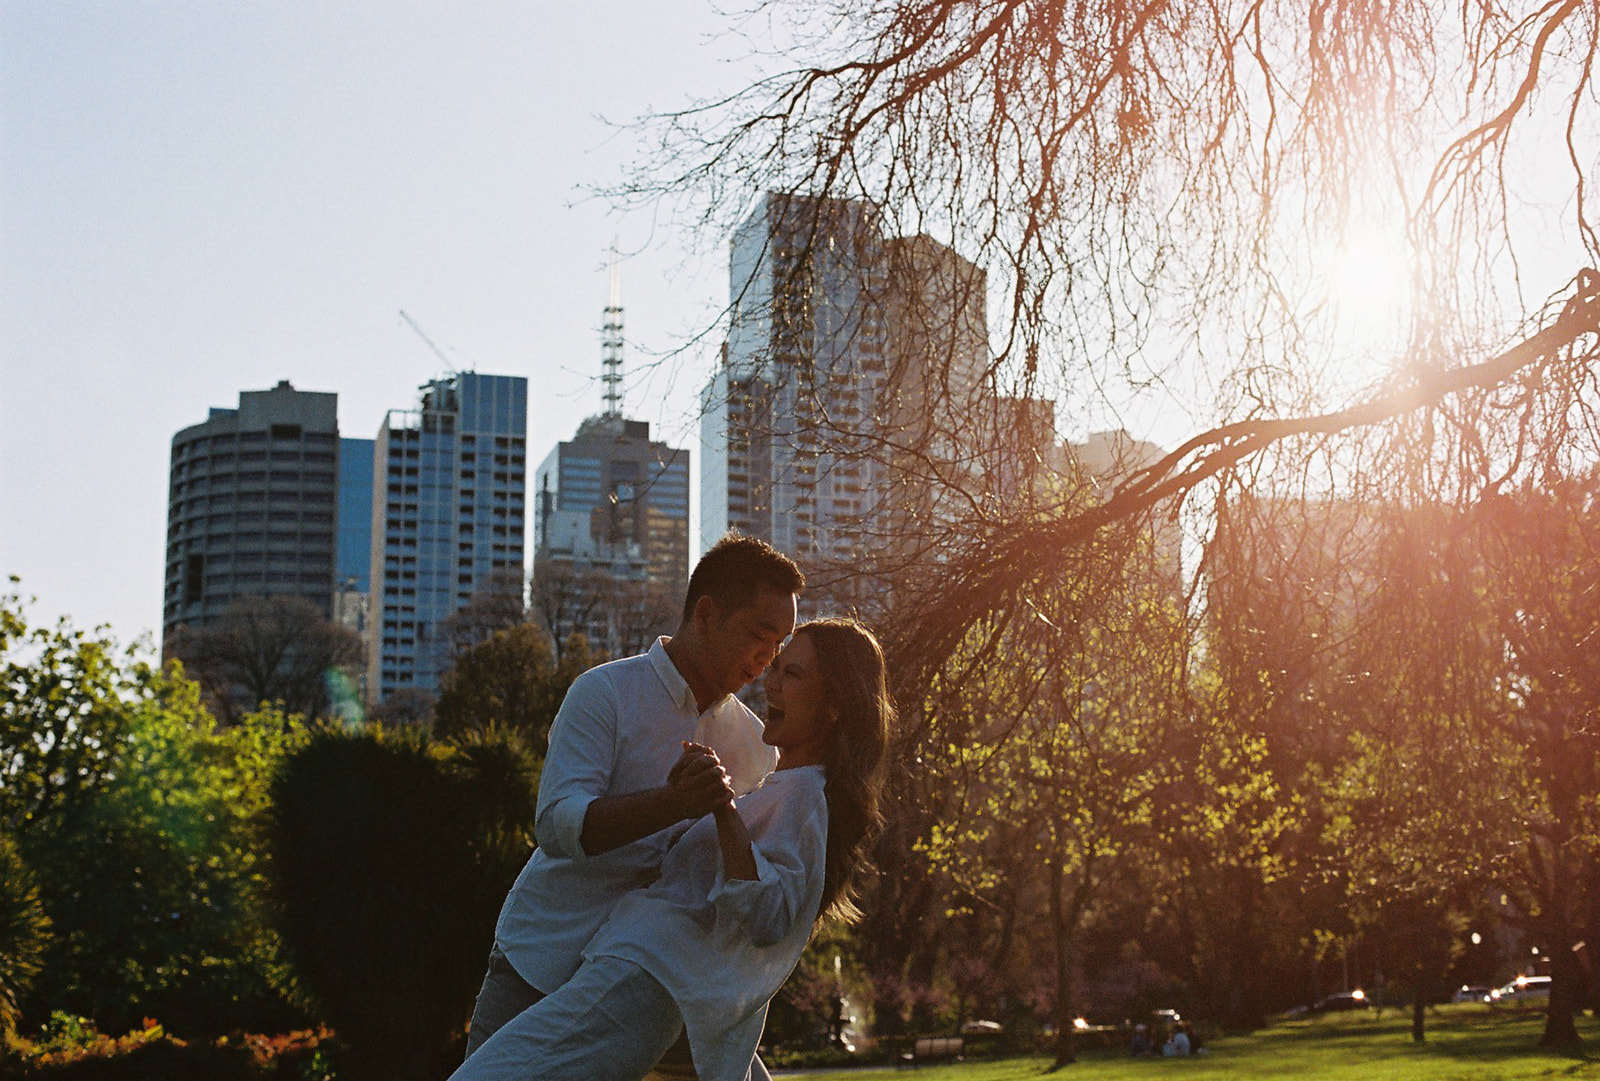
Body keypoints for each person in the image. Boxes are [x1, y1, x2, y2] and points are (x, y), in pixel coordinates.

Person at [451, 618, 895, 1081]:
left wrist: (720, 808)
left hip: (639, 978)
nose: (770, 679)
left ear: (834, 707)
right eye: (774, 662)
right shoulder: (780, 784)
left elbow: (769, 916)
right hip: (630, 974)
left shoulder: (803, 796)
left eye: (793, 673)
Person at [461, 535, 805, 1059]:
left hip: (657, 983)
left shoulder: (757, 748)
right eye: (761, 635)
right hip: (546, 960)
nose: (769, 658)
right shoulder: (605, 693)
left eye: (781, 643)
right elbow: (557, 826)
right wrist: (675, 802)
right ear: (707, 614)